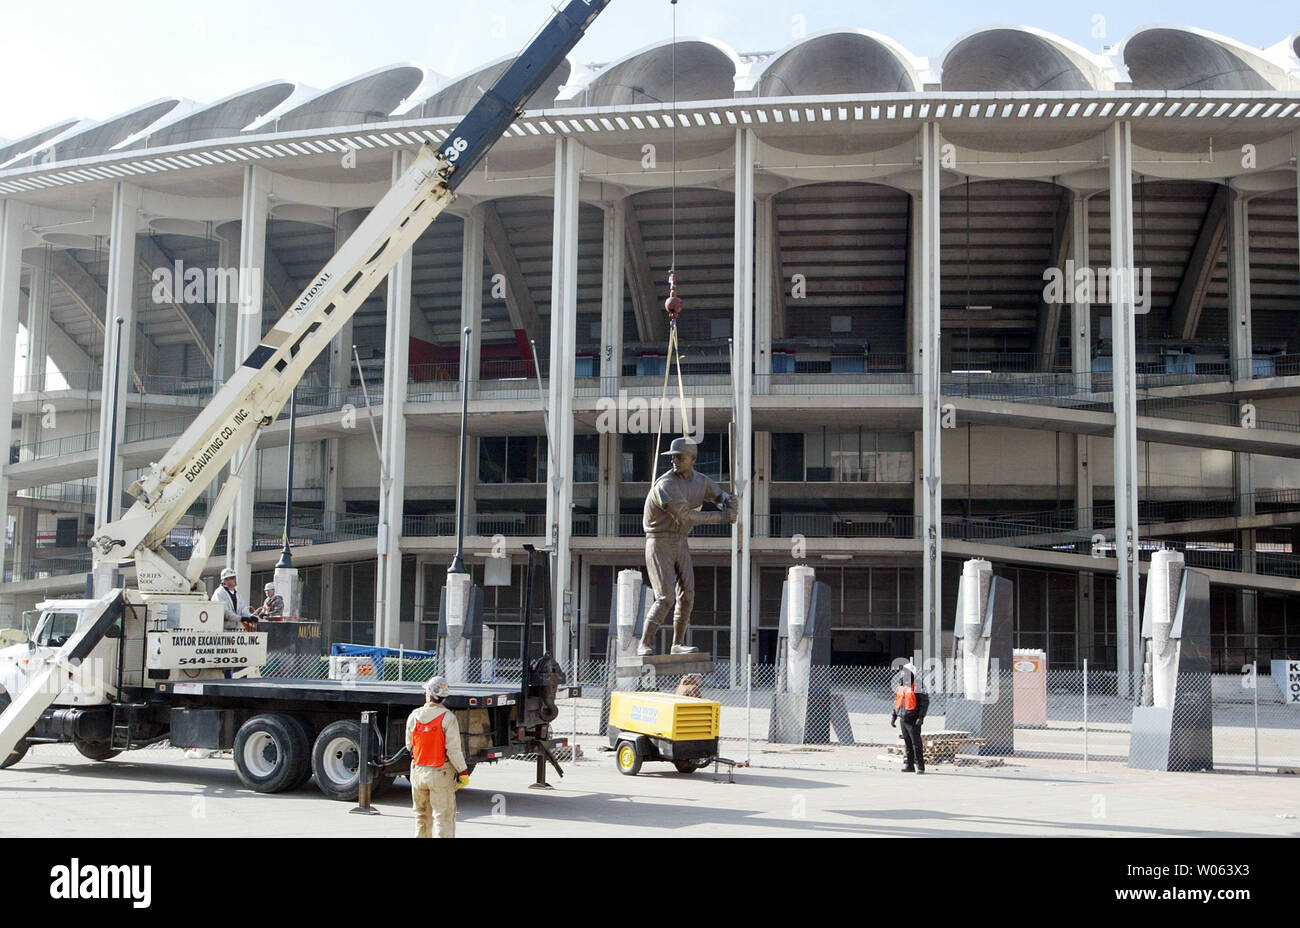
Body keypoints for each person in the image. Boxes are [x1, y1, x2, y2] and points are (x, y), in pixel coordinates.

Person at [639, 437, 737, 656]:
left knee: (688, 594)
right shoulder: (666, 484)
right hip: (659, 541)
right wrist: (723, 517)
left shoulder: (700, 481)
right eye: (673, 457)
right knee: (665, 597)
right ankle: (644, 642)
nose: (674, 460)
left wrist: (728, 501)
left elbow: (718, 495)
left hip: (680, 541)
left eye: (679, 457)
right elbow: (685, 517)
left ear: (692, 459)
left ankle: (677, 644)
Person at [405, 676, 469, 838]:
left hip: (418, 773)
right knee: (443, 817)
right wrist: (463, 772)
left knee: (421, 816)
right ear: (444, 696)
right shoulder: (448, 718)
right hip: (440, 774)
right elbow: (453, 750)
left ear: (428, 694)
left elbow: (409, 746)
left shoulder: (414, 716)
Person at [891, 661, 927, 774]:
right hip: (903, 718)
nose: (903, 674)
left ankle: (920, 766)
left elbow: (924, 702)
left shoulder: (918, 685)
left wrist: (921, 717)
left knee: (916, 743)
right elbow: (898, 702)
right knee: (907, 743)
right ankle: (909, 765)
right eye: (903, 672)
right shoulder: (902, 685)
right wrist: (894, 716)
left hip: (913, 720)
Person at [212, 568, 257, 632]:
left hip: (234, 629)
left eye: (234, 577)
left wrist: (250, 616)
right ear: (225, 580)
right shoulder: (219, 593)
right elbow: (225, 612)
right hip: (221, 630)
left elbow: (243, 609)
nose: (235, 580)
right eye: (232, 578)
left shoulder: (236, 594)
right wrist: (241, 618)